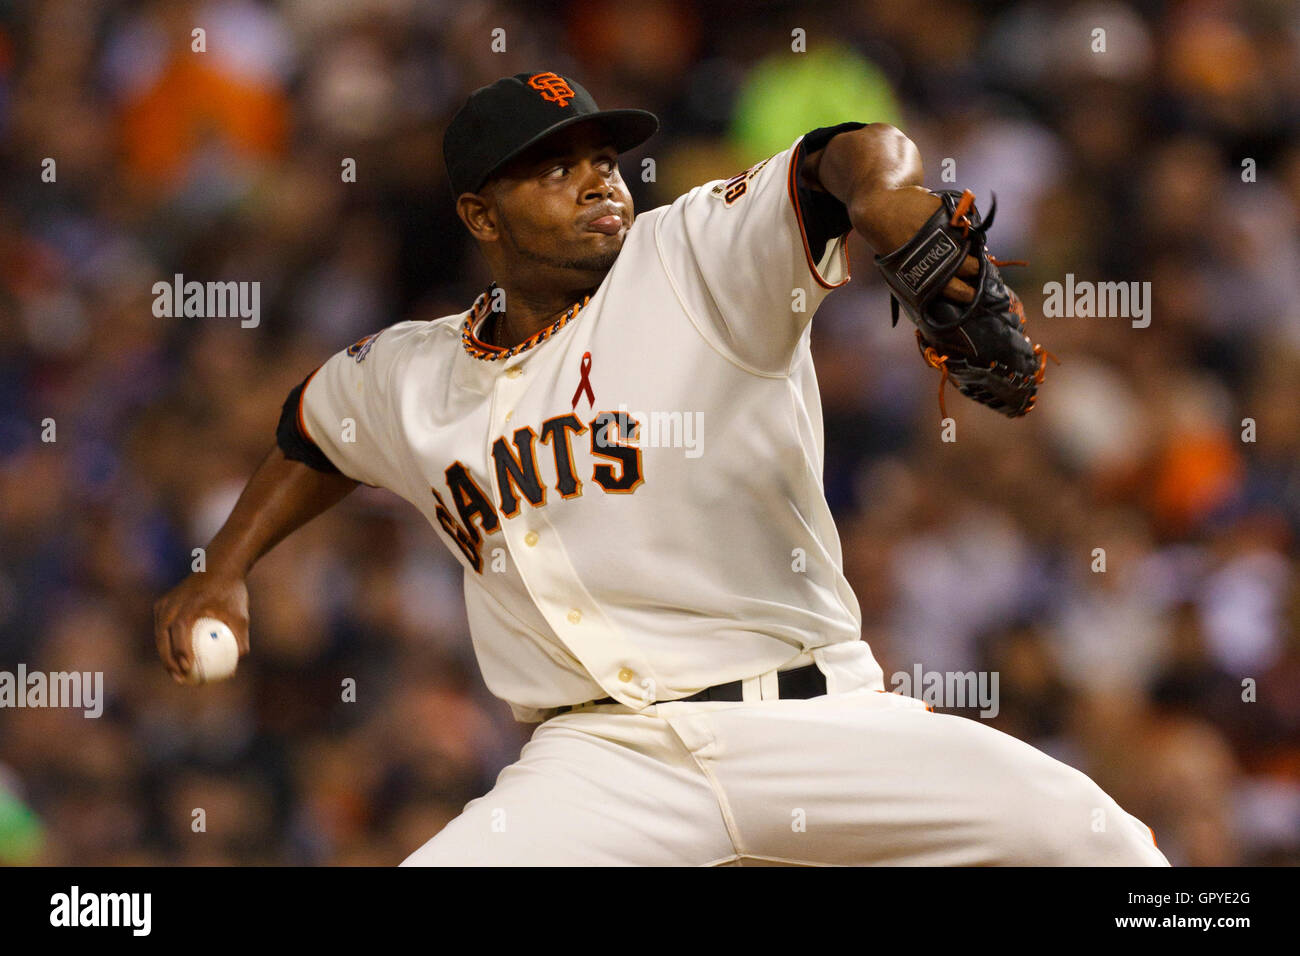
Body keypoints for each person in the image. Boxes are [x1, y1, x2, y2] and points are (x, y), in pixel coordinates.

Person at [154, 71, 1168, 866]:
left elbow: (840, 154)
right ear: (477, 215)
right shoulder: (409, 373)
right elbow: (311, 430)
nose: (599, 178)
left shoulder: (688, 255)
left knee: (1093, 839)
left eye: (602, 156)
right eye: (552, 167)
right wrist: (226, 565)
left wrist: (888, 194)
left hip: (812, 721)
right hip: (599, 765)